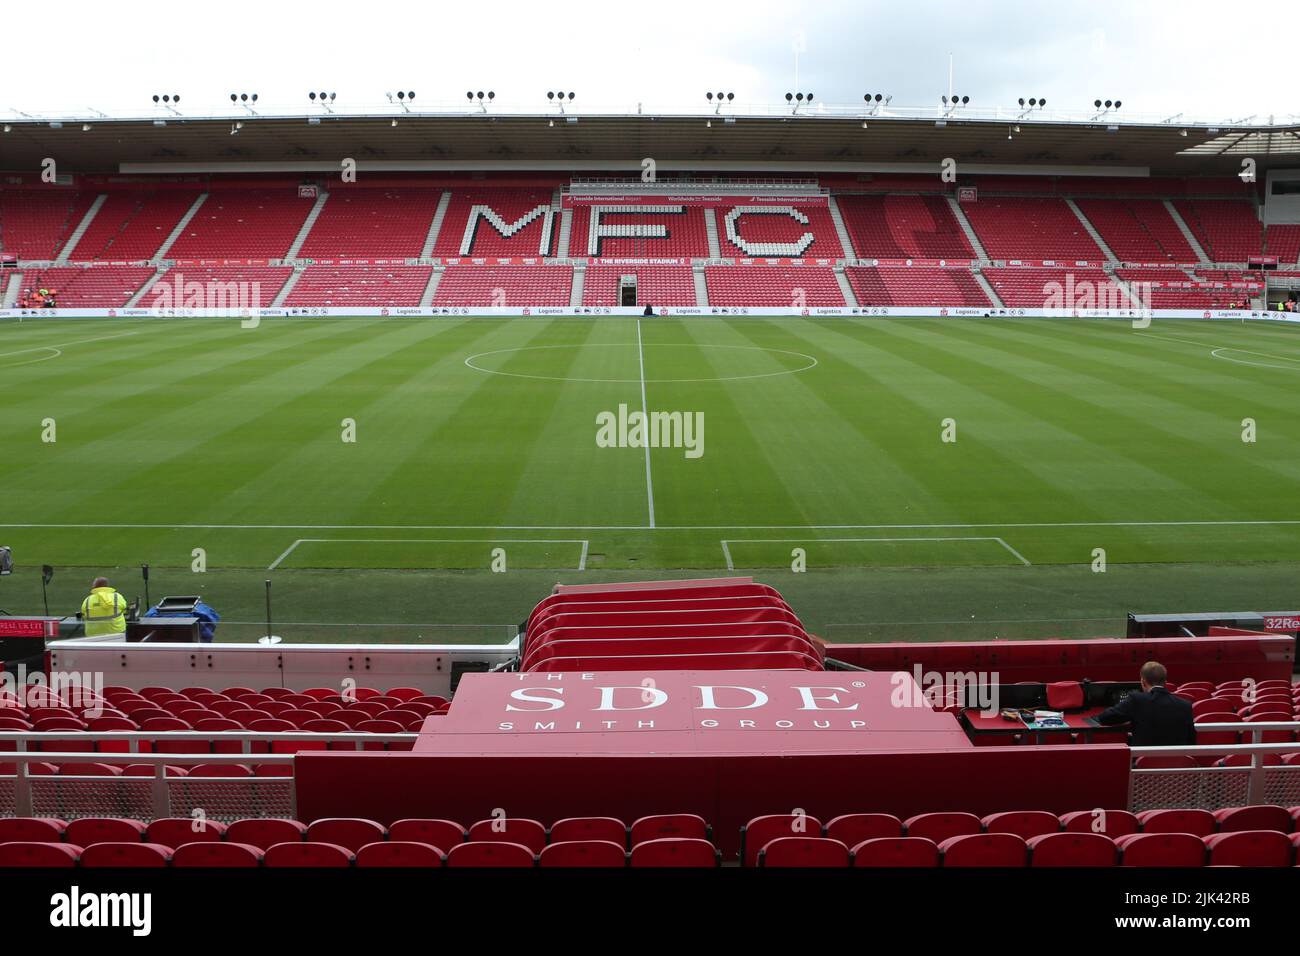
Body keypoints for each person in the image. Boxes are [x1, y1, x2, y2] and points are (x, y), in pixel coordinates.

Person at [1093, 661, 1195, 747]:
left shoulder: (1137, 699)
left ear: (1143, 681)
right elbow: (1191, 741)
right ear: (1165, 682)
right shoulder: (1185, 705)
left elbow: (1105, 718)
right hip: (1177, 766)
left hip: (1143, 766)